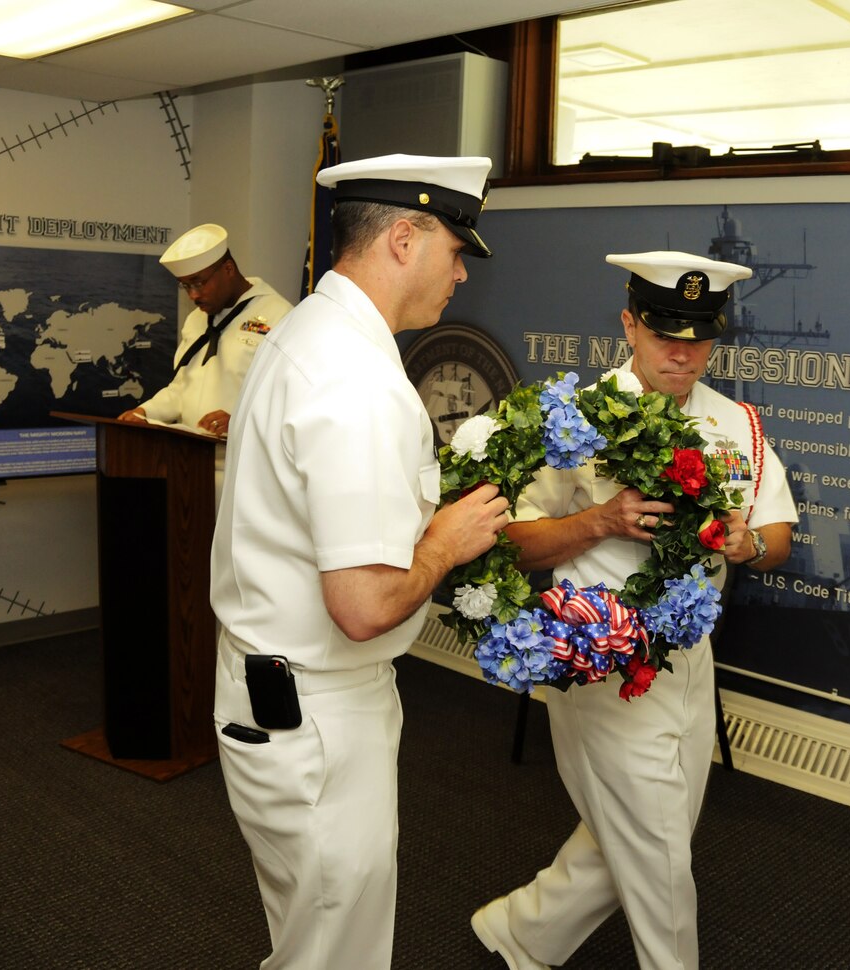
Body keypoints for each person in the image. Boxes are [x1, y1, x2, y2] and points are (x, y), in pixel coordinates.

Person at [209, 155, 510, 969]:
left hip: (271, 694)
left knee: (308, 940)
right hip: (320, 717)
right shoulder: (359, 383)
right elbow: (366, 604)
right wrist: (445, 542)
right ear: (404, 239)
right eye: (457, 250)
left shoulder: (303, 333)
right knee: (334, 955)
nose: (461, 275)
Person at [471, 251, 799, 970]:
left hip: (691, 659)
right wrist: (600, 522)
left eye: (700, 334)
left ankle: (523, 932)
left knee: (656, 832)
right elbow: (510, 541)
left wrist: (748, 546)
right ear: (629, 324)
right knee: (657, 858)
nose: (682, 353)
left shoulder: (738, 424)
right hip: (605, 660)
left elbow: (779, 535)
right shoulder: (577, 423)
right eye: (663, 334)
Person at [118, 223, 292, 437]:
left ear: (228, 269)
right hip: (192, 458)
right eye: (185, 286)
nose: (193, 296)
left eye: (198, 283)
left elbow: (292, 398)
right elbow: (183, 387)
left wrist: (240, 420)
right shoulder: (196, 320)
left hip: (243, 461)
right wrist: (145, 412)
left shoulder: (281, 316)